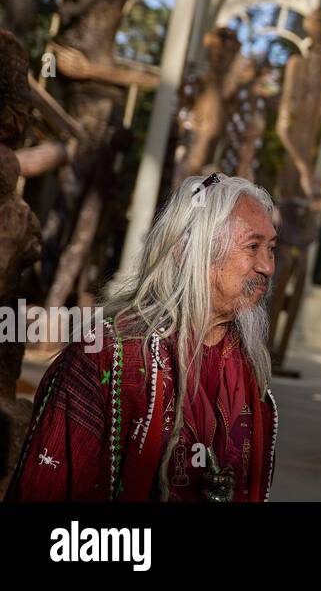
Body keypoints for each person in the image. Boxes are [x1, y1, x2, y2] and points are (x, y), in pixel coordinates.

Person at [5, 174, 279, 502]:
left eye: (271, 248)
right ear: (192, 250)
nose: (267, 266)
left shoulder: (246, 367)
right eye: (253, 246)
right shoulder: (108, 354)